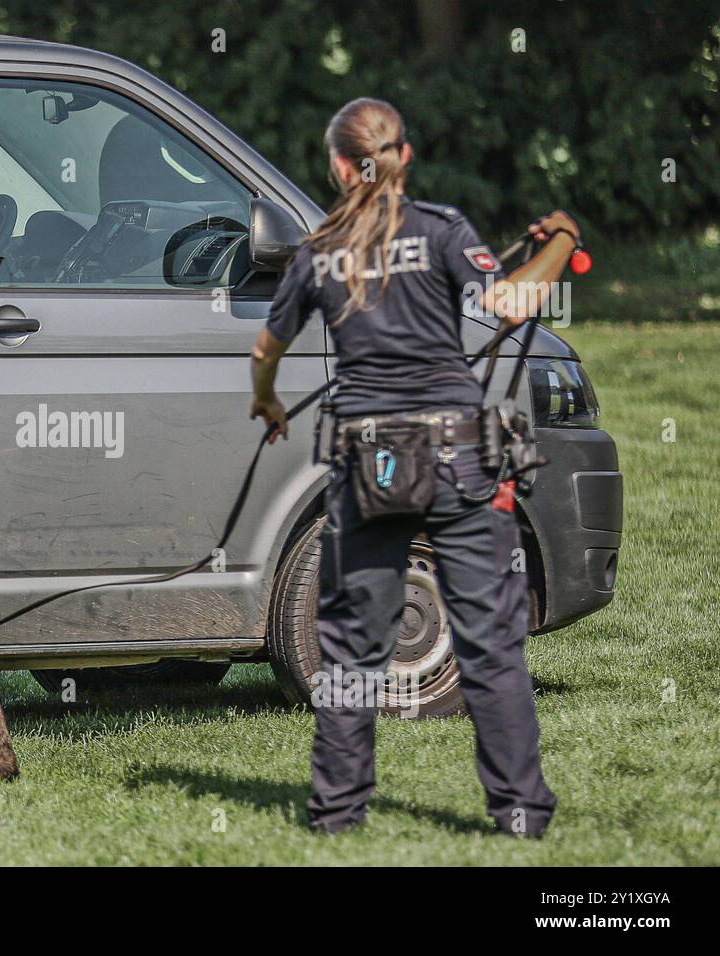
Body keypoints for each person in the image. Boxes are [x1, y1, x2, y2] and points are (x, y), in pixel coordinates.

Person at [249, 98, 580, 837]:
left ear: (340, 166)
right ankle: (520, 814)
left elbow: (264, 350)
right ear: (405, 156)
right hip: (461, 461)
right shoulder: (441, 229)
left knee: (348, 652)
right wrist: (559, 239)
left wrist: (268, 406)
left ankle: (336, 816)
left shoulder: (317, 251)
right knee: (490, 643)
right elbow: (512, 303)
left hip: (369, 468)